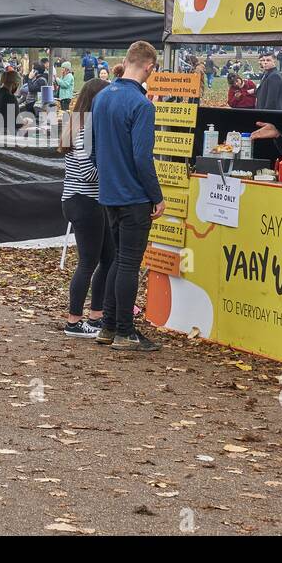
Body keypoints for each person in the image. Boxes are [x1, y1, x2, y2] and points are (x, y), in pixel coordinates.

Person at [91, 40, 164, 352]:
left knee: (118, 261)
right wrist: (156, 196)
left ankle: (108, 327)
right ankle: (124, 329)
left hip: (109, 193)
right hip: (133, 195)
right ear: (148, 66)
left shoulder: (102, 96)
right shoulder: (142, 105)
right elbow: (142, 158)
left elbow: (94, 151)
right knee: (128, 263)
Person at [59, 78, 112, 338]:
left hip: (91, 201)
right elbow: (87, 173)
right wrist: (114, 171)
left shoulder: (85, 126)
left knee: (108, 258)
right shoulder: (84, 130)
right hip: (83, 200)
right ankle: (73, 321)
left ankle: (96, 314)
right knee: (88, 261)